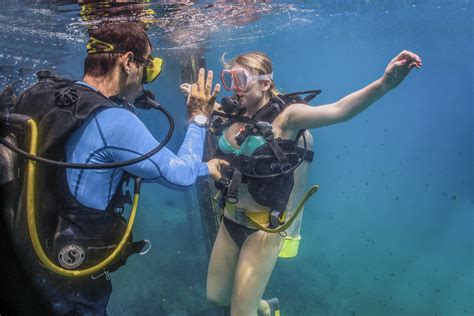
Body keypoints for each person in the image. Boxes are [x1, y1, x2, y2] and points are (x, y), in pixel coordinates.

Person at [0, 22, 225, 315]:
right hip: (71, 286)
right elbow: (181, 175)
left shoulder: (43, 94)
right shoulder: (114, 120)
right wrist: (198, 118)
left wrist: (207, 168)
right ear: (128, 62)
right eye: (148, 68)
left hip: (22, 264)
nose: (147, 79)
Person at [195, 50, 422, 315]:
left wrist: (384, 84)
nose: (235, 88)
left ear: (265, 83)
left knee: (240, 313)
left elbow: (339, 110)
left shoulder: (288, 118)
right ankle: (264, 307)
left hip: (262, 230)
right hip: (230, 219)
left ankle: (258, 308)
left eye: (241, 79)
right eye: (229, 79)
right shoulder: (234, 113)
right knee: (216, 297)